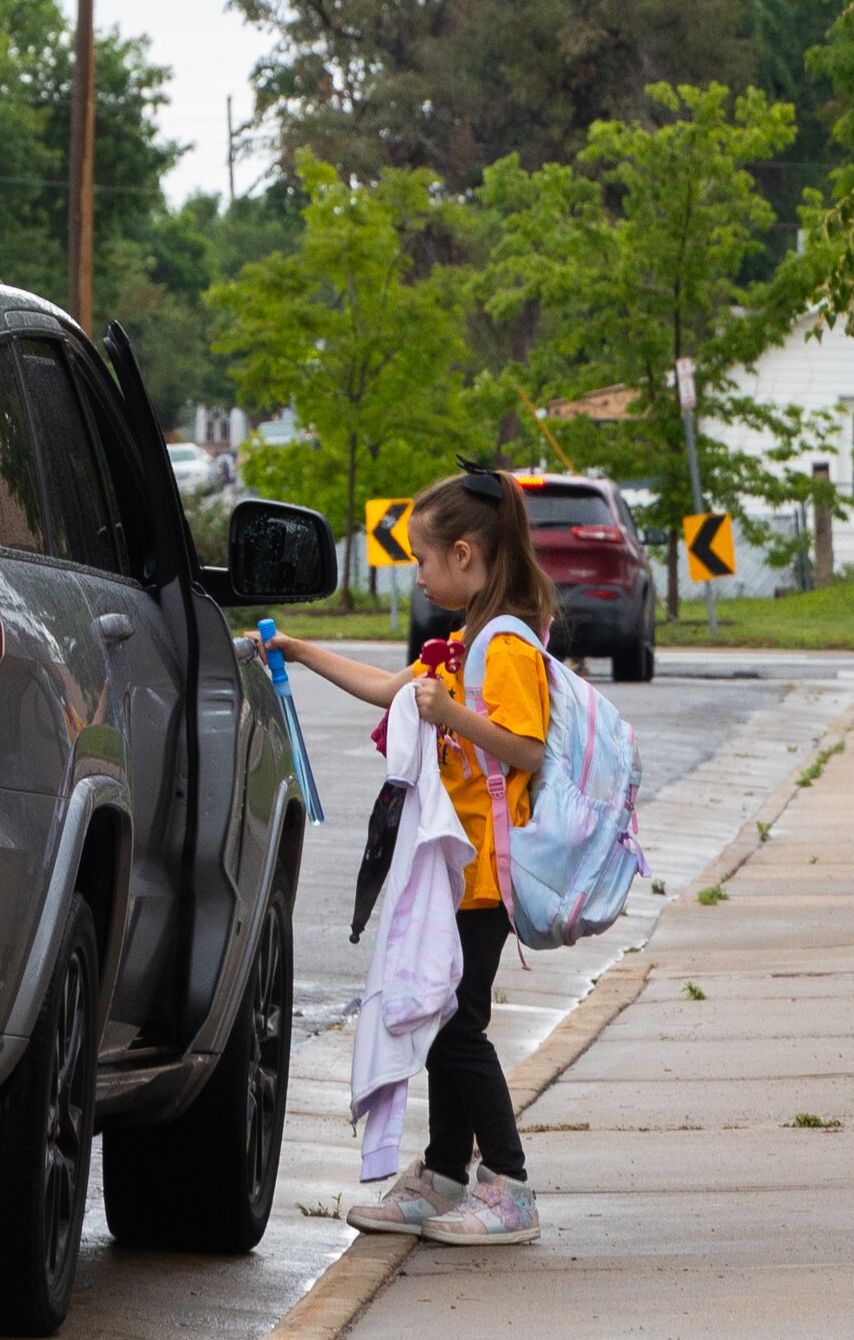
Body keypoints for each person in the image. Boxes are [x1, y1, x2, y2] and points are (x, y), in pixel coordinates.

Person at [254, 459, 554, 1245]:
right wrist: (300, 649)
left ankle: (511, 1184)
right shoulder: (463, 642)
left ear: (464, 553)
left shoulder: (507, 646)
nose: (418, 571)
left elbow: (527, 748)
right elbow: (393, 689)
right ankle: (446, 1175)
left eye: (423, 557)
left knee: (453, 1025)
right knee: (443, 1019)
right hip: (452, 873)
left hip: (485, 876)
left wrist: (452, 709)